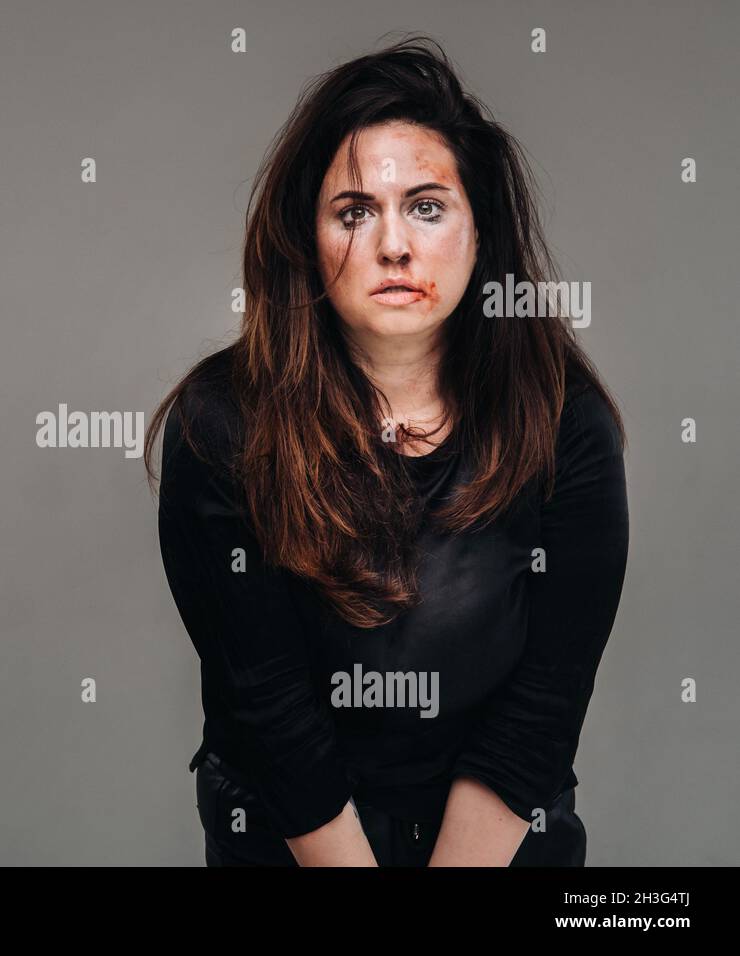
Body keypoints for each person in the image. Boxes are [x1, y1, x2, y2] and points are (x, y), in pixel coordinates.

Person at [143, 36, 629, 866]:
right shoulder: (220, 423)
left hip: (500, 843)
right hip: (296, 840)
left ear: (482, 237)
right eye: (355, 211)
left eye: (428, 207)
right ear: (308, 238)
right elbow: (270, 710)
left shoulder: (563, 420)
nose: (394, 245)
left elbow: (546, 700)